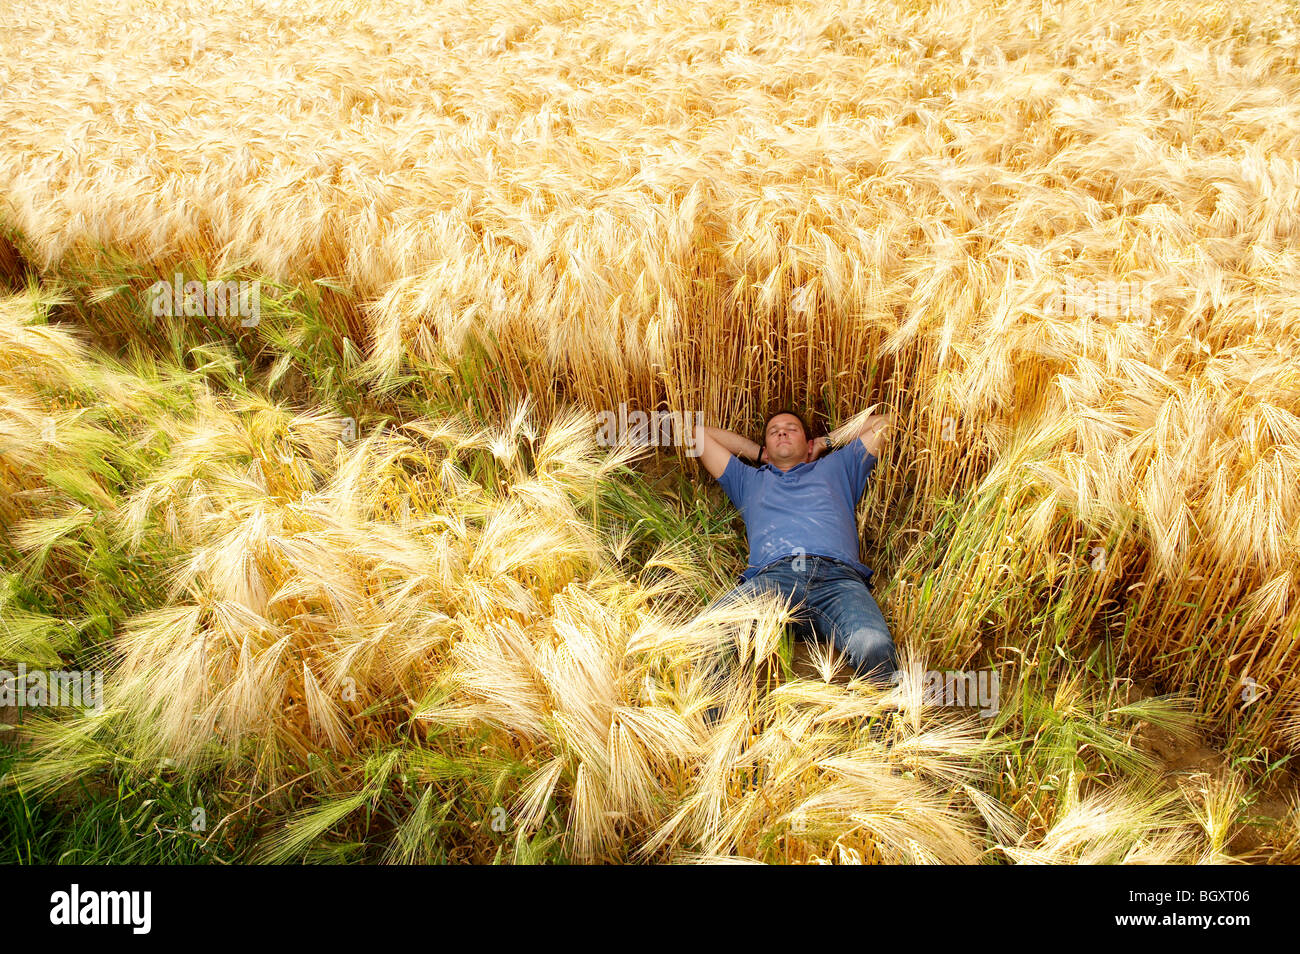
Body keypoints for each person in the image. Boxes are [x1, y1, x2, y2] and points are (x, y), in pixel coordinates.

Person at [693, 409, 896, 684]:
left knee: (875, 647)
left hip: (838, 581)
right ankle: (713, 727)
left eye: (792, 428)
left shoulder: (838, 467)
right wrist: (758, 453)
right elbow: (697, 434)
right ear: (766, 445)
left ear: (807, 441)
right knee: (710, 635)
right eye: (773, 430)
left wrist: (826, 442)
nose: (781, 432)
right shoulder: (748, 480)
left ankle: (881, 726)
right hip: (774, 579)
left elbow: (884, 423)